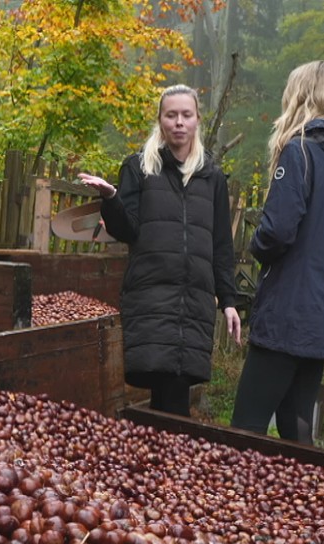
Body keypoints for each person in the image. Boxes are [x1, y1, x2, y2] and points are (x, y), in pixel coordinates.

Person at [77, 84, 242, 416]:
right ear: (160, 120)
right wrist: (111, 199)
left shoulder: (211, 176)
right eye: (171, 115)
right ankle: (159, 464)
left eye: (186, 115)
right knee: (163, 392)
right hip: (151, 298)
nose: (179, 122)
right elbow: (128, 231)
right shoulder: (138, 167)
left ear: (197, 121)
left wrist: (228, 301)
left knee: (177, 392)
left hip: (194, 301)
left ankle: (162, 465)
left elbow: (221, 244)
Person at [230, 60, 324, 443]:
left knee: (246, 427)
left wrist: (256, 247)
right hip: (322, 317)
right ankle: (302, 500)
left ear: (303, 95)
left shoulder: (299, 152)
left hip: (287, 315)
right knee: (297, 430)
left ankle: (239, 502)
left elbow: (277, 231)